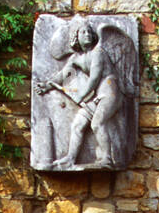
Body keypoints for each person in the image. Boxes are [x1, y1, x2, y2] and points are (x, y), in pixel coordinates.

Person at [35, 20, 126, 169]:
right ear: (76, 37)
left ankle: (107, 159)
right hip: (96, 96)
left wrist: (81, 96)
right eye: (83, 32)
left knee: (97, 123)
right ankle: (70, 159)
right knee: (77, 125)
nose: (87, 34)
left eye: (90, 32)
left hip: (110, 91)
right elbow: (64, 75)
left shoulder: (98, 53)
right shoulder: (76, 58)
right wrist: (47, 85)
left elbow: (95, 78)